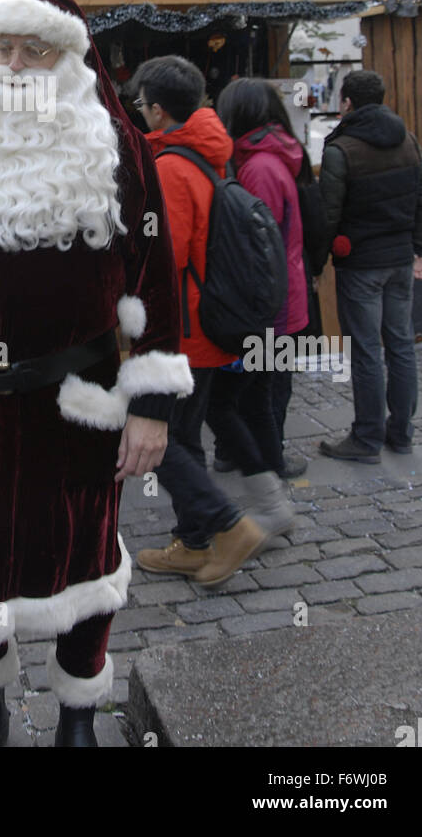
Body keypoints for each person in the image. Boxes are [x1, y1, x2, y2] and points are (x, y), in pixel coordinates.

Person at [0, 0, 188, 747]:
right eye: (3, 49)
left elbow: (153, 273)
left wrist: (153, 403)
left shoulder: (114, 146)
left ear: (71, 61)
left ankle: (78, 711)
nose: (16, 64)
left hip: (72, 403)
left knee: (79, 562)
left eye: (37, 49)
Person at [130, 57, 288, 574]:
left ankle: (224, 526)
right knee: (183, 436)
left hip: (185, 330)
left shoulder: (172, 166)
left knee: (161, 438)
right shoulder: (209, 154)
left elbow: (165, 259)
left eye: (141, 104)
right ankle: (195, 539)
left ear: (157, 111)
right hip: (205, 325)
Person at [317, 70, 422, 462]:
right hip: (400, 259)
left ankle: (367, 437)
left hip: (362, 264)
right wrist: (417, 248)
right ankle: (400, 432)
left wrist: (317, 265)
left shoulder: (341, 150)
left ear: (347, 102)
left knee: (367, 351)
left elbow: (329, 215)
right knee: (401, 345)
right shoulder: (408, 140)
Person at [212, 78, 310, 482]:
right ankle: (248, 454)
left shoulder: (260, 167)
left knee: (263, 388)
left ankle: (268, 461)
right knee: (258, 385)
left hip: (272, 302)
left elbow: (258, 245)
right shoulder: (263, 158)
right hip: (278, 296)